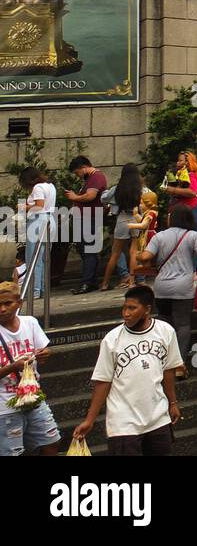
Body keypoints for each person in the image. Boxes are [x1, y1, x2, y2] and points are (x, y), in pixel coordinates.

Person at [73, 285, 183, 456]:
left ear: (147, 309)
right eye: (124, 308)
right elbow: (103, 381)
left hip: (158, 417)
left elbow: (168, 370)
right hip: (123, 422)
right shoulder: (112, 339)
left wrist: (173, 403)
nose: (126, 313)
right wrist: (90, 419)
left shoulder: (165, 331)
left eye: (132, 308)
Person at [138, 202, 197, 380]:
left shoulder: (160, 236)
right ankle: (179, 365)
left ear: (173, 218)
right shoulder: (192, 235)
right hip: (183, 287)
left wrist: (138, 254)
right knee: (183, 325)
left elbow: (146, 256)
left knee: (164, 325)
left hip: (161, 287)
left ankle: (162, 363)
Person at [0, 281, 59, 456]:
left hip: (33, 398)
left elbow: (44, 349)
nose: (2, 309)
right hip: (5, 406)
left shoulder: (30, 323)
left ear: (19, 303)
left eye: (7, 303)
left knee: (52, 442)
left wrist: (44, 354)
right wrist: (13, 366)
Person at [66, 155, 107, 294]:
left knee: (89, 251)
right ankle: (91, 281)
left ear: (83, 167)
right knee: (85, 250)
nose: (77, 176)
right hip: (85, 218)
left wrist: (75, 197)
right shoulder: (90, 179)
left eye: (77, 172)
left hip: (90, 218)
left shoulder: (96, 177)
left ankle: (87, 282)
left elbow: (90, 196)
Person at [100, 163, 144, 291]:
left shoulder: (117, 188)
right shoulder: (140, 188)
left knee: (115, 253)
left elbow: (104, 198)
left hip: (122, 218)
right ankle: (131, 282)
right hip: (135, 220)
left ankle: (105, 283)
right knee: (134, 252)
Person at [15, 166, 55, 299]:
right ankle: (42, 289)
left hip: (38, 220)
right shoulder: (50, 186)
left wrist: (23, 207)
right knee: (44, 258)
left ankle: (35, 290)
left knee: (33, 258)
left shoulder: (38, 188)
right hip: (50, 219)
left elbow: (39, 205)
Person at [163, 151, 197, 228]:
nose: (177, 163)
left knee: (189, 236)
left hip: (191, 211)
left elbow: (192, 192)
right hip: (183, 212)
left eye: (180, 161)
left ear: (187, 163)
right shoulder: (180, 175)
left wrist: (172, 189)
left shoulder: (191, 175)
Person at [127, 189, 159, 279]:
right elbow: (141, 221)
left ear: (148, 203)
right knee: (145, 261)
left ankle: (133, 272)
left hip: (148, 236)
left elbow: (143, 225)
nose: (140, 206)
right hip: (145, 235)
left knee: (144, 258)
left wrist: (131, 225)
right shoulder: (148, 213)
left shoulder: (151, 214)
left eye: (142, 203)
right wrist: (136, 214)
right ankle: (138, 272)